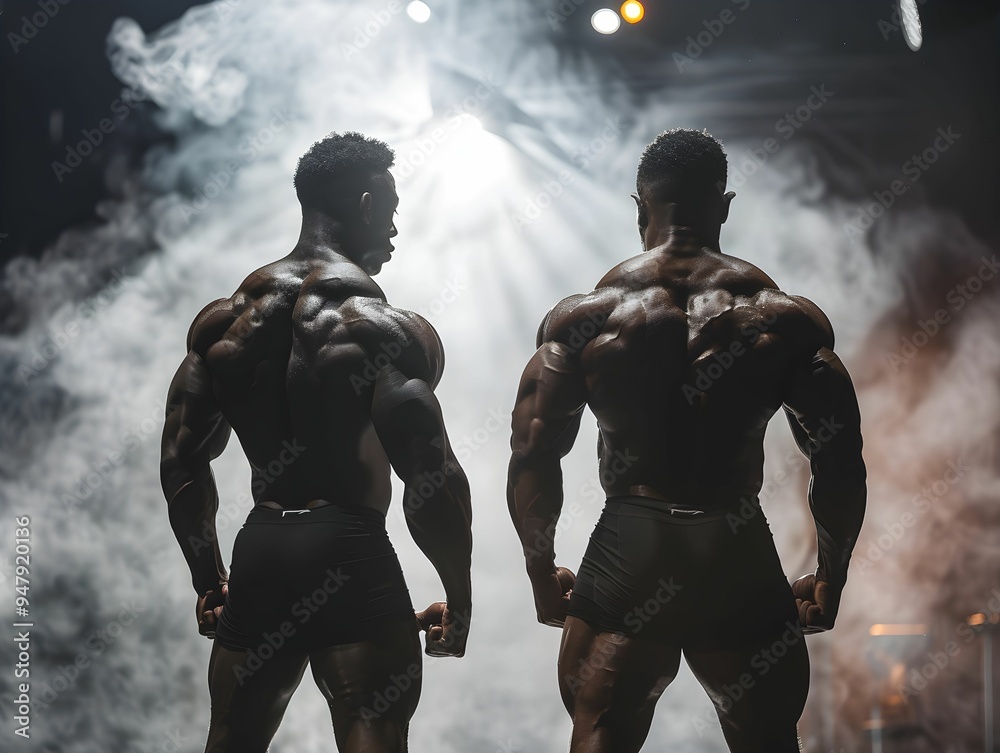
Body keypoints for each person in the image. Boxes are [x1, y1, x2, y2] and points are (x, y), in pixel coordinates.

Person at [507, 128, 866, 753]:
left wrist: (542, 573)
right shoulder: (781, 318)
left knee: (601, 734)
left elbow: (535, 454)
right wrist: (831, 577)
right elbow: (838, 461)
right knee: (768, 740)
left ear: (640, 206)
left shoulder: (587, 317)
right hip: (732, 546)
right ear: (723, 206)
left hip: (631, 546)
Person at [159, 131, 472, 753]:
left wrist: (210, 580)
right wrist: (458, 597)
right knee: (372, 734)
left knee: (231, 740)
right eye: (389, 209)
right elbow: (429, 472)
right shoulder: (384, 329)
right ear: (363, 203)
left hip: (263, 550)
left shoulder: (223, 323)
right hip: (349, 549)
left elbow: (183, 462)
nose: (393, 229)